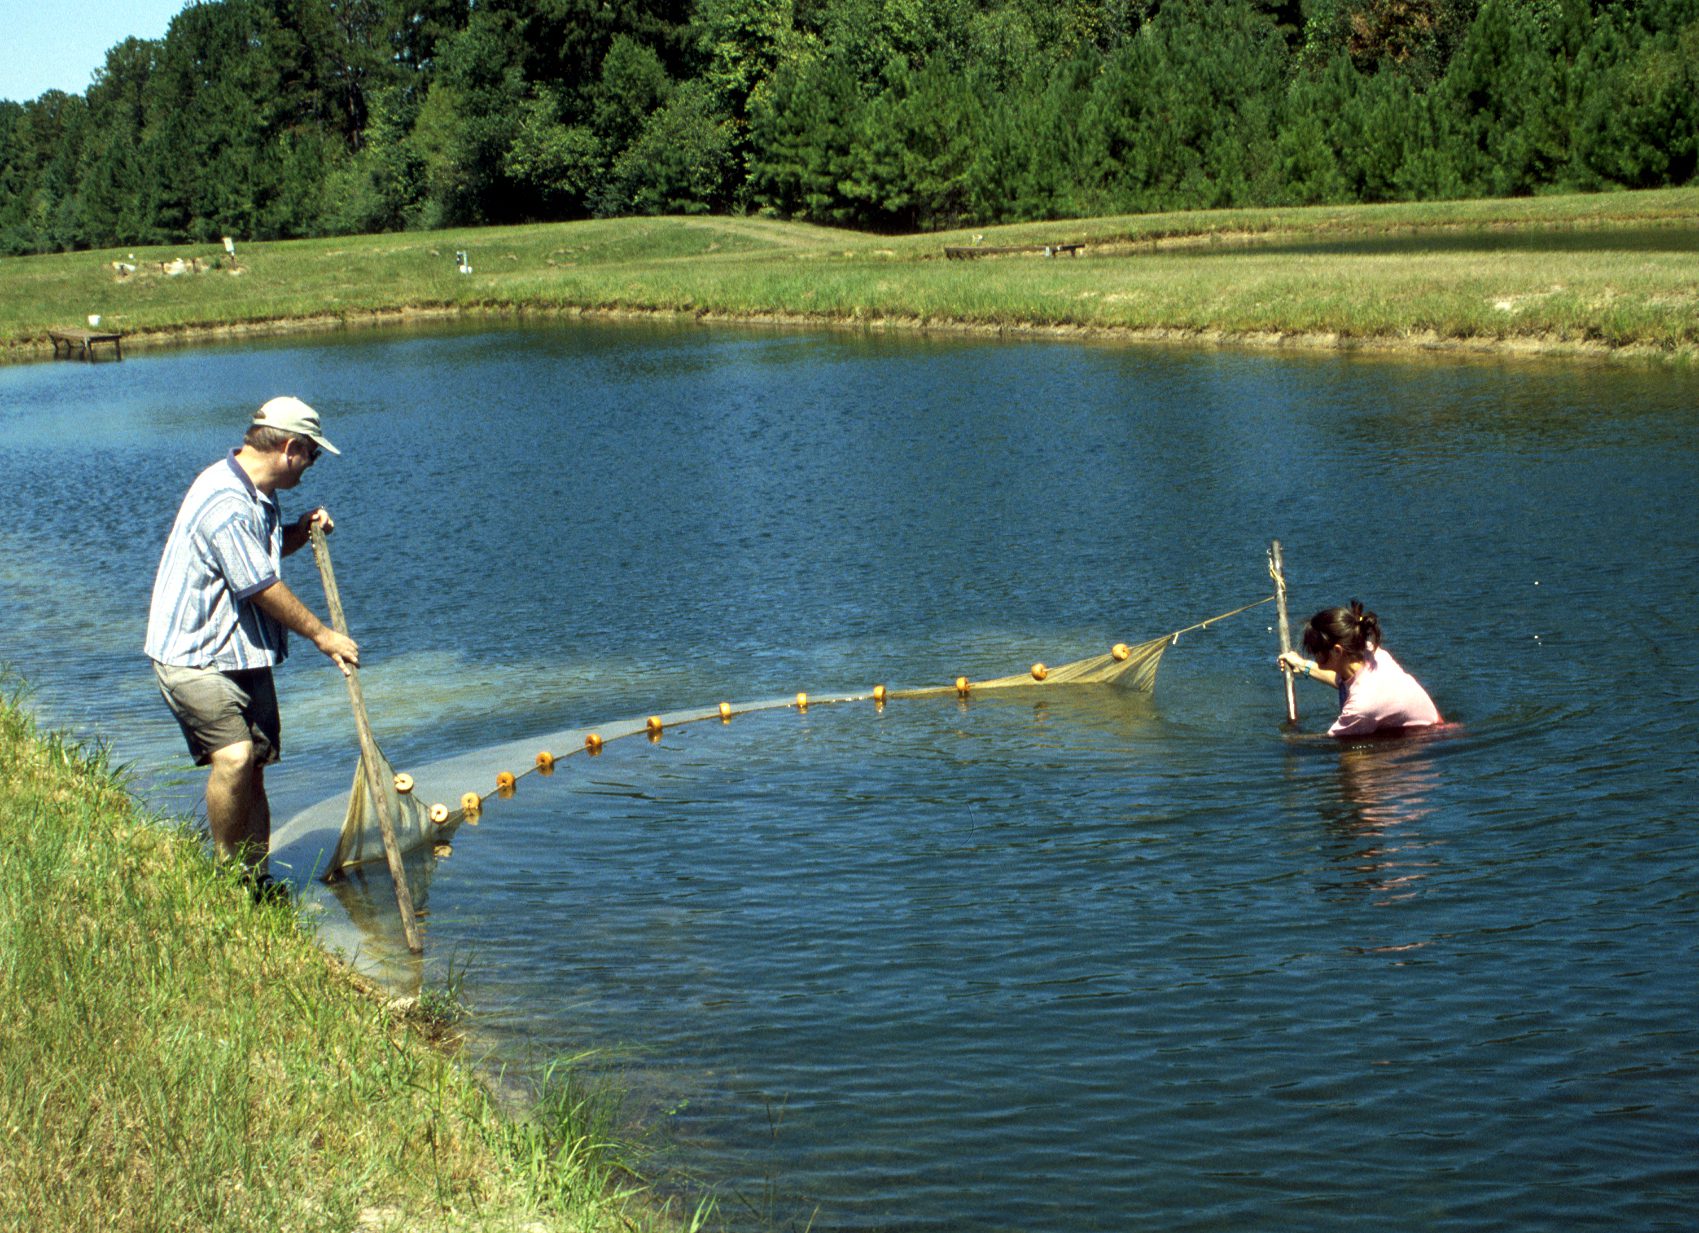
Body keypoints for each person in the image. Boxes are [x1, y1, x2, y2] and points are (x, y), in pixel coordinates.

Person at [146, 396, 359, 900]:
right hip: (193, 657)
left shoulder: (258, 493)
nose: (312, 466)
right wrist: (323, 636)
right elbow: (260, 586)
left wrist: (300, 532)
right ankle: (226, 881)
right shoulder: (225, 502)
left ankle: (255, 880)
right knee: (236, 757)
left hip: (242, 654)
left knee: (257, 765)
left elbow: (259, 553)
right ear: (289, 448)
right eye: (312, 455)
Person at [1277, 600, 1440, 738]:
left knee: (1350, 762)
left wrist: (1292, 737)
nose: (1313, 655)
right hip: (1432, 728)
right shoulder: (1371, 652)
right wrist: (1302, 665)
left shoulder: (1362, 706)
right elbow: (1341, 681)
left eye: (1316, 650)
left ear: (1337, 651)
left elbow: (1328, 741)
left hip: (1426, 739)